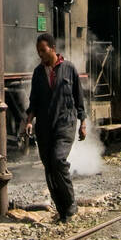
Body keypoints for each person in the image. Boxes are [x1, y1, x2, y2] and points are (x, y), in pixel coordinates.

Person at [25, 32, 87, 221]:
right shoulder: (37, 73)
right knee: (49, 167)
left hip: (65, 122)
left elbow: (79, 98)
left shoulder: (69, 69)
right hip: (44, 125)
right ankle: (62, 211)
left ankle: (70, 203)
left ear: (52, 49)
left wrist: (83, 122)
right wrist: (29, 120)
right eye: (38, 52)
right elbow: (33, 100)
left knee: (58, 159)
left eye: (43, 51)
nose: (40, 55)